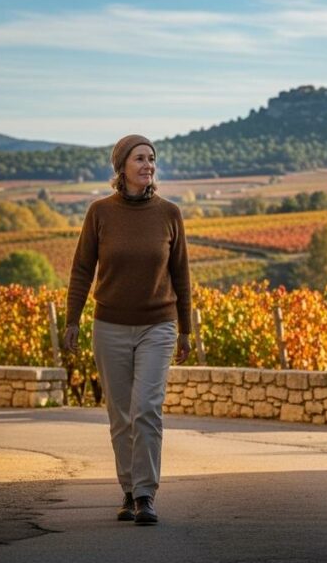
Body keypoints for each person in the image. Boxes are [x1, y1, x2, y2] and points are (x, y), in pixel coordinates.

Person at [64, 134, 192, 526]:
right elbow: (83, 268)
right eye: (140, 158)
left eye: (152, 159)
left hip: (158, 325)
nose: (148, 165)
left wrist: (186, 328)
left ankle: (146, 494)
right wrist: (72, 319)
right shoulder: (100, 213)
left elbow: (181, 274)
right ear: (122, 167)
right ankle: (128, 490)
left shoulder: (169, 214)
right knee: (120, 415)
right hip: (110, 325)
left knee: (147, 410)